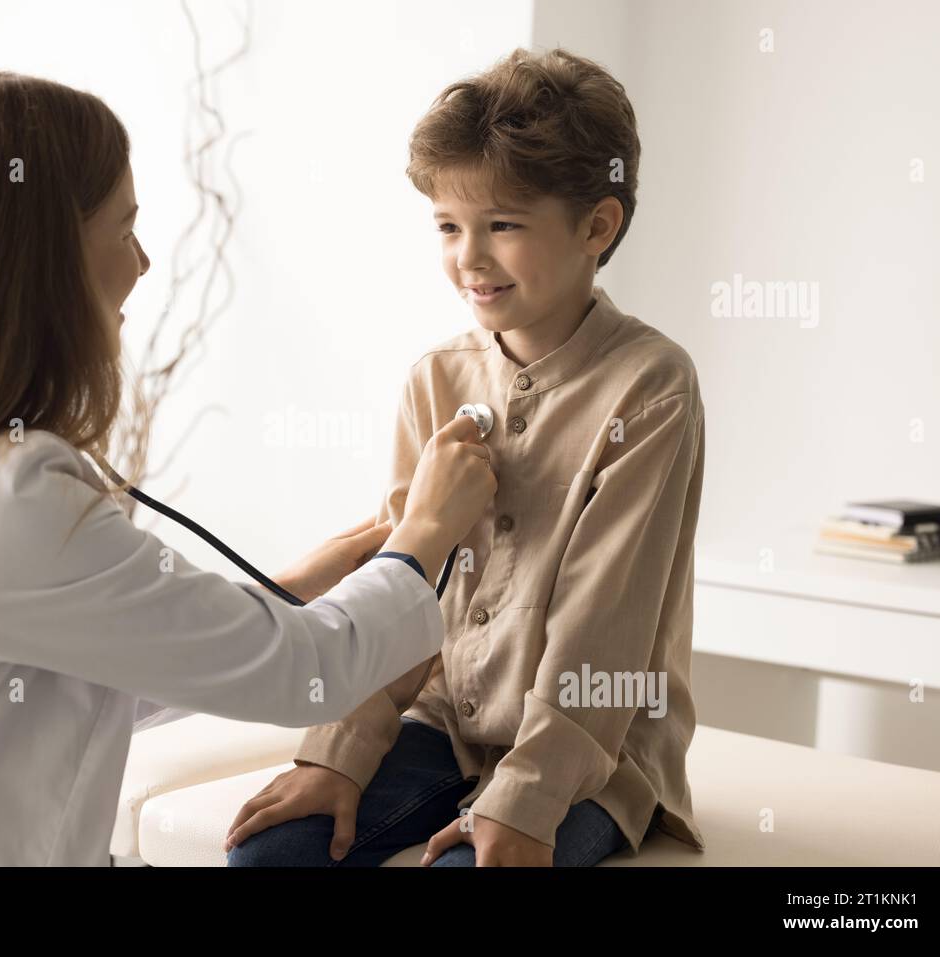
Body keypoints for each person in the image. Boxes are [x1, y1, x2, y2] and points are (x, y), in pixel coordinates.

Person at [0, 71, 495, 867]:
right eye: (124, 227)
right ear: (47, 259)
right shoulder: (13, 495)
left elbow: (82, 652)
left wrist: (288, 585)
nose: (141, 263)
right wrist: (422, 535)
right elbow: (302, 675)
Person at [226, 48, 707, 868]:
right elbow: (401, 586)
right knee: (268, 856)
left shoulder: (650, 388)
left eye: (503, 225)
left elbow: (606, 628)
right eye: (449, 226)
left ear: (597, 225)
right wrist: (337, 750)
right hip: (448, 725)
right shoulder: (435, 379)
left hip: (591, 757)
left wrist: (524, 803)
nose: (468, 258)